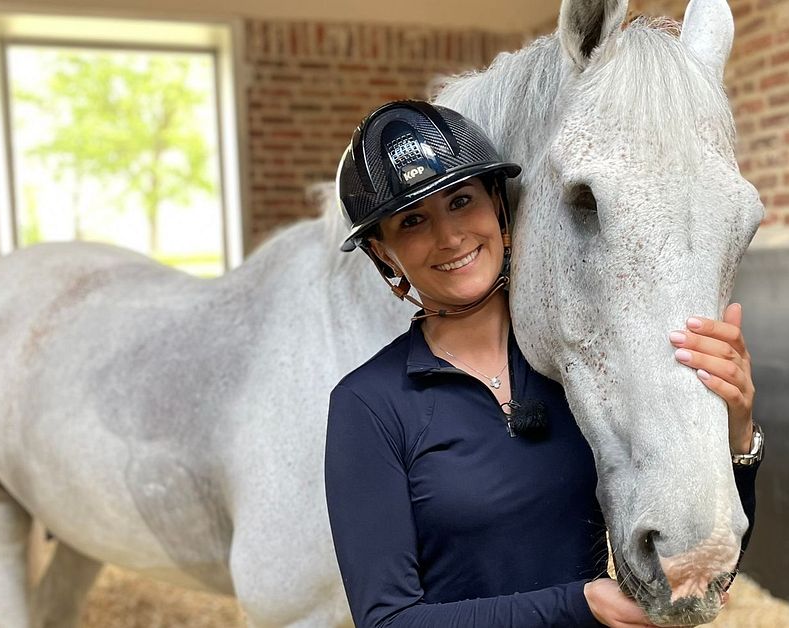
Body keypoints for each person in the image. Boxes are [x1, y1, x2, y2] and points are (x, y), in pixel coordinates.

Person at [324, 100, 763, 628]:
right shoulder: (367, 405)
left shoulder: (575, 367)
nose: (449, 236)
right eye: (413, 220)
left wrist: (738, 439)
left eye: (462, 201)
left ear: (497, 206)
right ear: (383, 253)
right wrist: (578, 607)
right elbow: (387, 621)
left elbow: (697, 572)